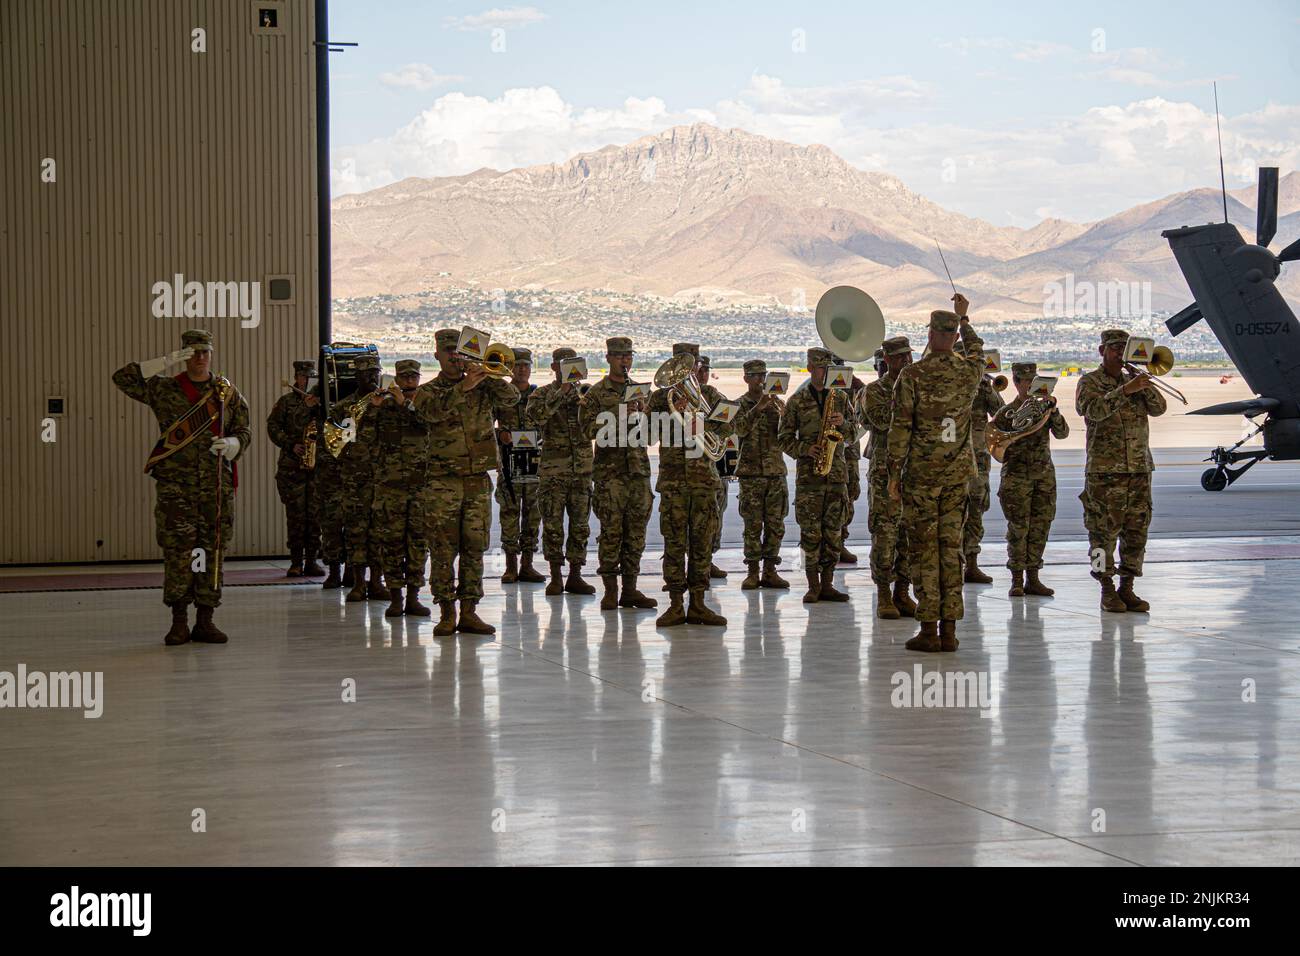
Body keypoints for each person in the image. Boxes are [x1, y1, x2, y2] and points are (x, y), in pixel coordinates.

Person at [112, 329, 251, 645]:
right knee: (179, 553)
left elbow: (245, 429)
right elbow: (123, 378)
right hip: (177, 488)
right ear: (184, 355)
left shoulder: (226, 393)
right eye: (192, 352)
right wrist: (164, 362)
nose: (200, 358)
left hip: (215, 488)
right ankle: (179, 622)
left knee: (210, 552)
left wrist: (233, 443)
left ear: (212, 354)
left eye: (204, 351)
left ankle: (206, 620)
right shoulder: (165, 390)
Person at [887, 295, 984, 652]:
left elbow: (900, 430)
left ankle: (929, 629)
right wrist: (965, 318)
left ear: (930, 334)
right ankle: (951, 630)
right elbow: (977, 351)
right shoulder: (968, 372)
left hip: (923, 479)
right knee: (950, 550)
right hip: (957, 477)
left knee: (924, 551)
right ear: (955, 336)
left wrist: (894, 474)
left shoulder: (913, 375)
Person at [410, 329, 520, 635]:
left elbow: (513, 398)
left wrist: (487, 375)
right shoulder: (430, 391)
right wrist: (464, 387)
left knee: (475, 546)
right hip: (442, 481)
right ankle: (446, 611)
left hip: (477, 479)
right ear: (437, 356)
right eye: (448, 352)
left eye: (459, 352)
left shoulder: (485, 389)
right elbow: (427, 415)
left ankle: (470, 610)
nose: (455, 358)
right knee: (444, 549)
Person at [1075, 329, 1166, 613]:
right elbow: (1092, 411)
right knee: (1102, 535)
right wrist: (1125, 390)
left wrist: (1144, 384)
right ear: (1102, 351)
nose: (1118, 354)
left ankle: (1127, 587)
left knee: (1136, 531)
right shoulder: (1089, 382)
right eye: (1114, 348)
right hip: (1104, 473)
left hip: (1138, 470)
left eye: (1123, 349)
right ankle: (1105, 587)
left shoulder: (1136, 381)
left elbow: (1159, 408)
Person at [648, 350, 731, 626]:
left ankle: (698, 604)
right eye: (683, 367)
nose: (690, 373)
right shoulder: (661, 398)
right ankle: (674, 604)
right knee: (673, 544)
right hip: (673, 481)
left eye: (693, 366)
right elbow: (646, 435)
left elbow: (729, 427)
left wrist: (699, 418)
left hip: (704, 481)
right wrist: (672, 415)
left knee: (702, 545)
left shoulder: (711, 394)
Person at [577, 337, 657, 611]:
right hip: (610, 475)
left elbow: (653, 435)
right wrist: (618, 414)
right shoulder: (597, 394)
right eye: (620, 356)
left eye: (628, 356)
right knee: (611, 533)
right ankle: (610, 590)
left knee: (636, 534)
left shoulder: (641, 392)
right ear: (608, 358)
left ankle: (631, 590)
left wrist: (646, 415)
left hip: (638, 473)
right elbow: (586, 430)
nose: (625, 361)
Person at [777, 347, 856, 603]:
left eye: (827, 368)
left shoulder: (841, 398)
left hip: (836, 477)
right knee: (810, 533)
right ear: (810, 367)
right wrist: (804, 449)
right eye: (819, 367)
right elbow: (783, 439)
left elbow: (854, 433)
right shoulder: (797, 401)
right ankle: (812, 585)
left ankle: (828, 584)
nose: (823, 373)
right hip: (810, 477)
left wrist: (842, 422)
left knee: (833, 532)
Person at [525, 348, 596, 596]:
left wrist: (583, 401)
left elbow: (597, 426)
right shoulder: (542, 394)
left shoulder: (586, 394)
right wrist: (561, 392)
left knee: (580, 526)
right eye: (563, 365)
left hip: (582, 472)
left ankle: (575, 575)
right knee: (553, 526)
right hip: (554, 472)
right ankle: (555, 576)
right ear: (554, 367)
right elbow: (536, 418)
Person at [998, 362, 1069, 597]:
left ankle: (1033, 577)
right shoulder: (1007, 412)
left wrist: (1054, 410)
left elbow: (1062, 433)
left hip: (1043, 476)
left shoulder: (1044, 410)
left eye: (1033, 381)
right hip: (1016, 477)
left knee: (1040, 527)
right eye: (1025, 381)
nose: (1030, 386)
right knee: (1018, 529)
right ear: (1016, 383)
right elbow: (995, 443)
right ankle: (1016, 579)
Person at [859, 335, 917, 619]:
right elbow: (882, 421)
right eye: (902, 357)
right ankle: (884, 593)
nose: (908, 361)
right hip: (884, 473)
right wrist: (903, 398)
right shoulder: (875, 391)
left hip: (911, 471)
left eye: (909, 356)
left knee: (907, 535)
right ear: (889, 360)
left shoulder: (916, 388)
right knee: (885, 535)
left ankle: (902, 592)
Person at [371, 360, 431, 617]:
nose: (408, 382)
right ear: (396, 379)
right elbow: (364, 436)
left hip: (420, 485)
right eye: (403, 378)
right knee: (392, 542)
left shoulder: (425, 403)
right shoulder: (384, 406)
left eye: (413, 377)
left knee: (418, 542)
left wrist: (405, 404)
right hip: (390, 485)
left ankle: (414, 597)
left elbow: (428, 425)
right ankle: (395, 597)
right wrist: (375, 408)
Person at [331, 355, 389, 604]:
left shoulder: (388, 404)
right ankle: (357, 583)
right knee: (356, 531)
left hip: (382, 478)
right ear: (357, 377)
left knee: (380, 532)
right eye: (366, 374)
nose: (372, 378)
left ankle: (377, 582)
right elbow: (335, 444)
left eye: (375, 373)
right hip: (355, 479)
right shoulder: (343, 408)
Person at [732, 359, 789, 590]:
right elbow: (738, 430)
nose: (760, 380)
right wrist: (759, 408)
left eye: (763, 375)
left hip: (775, 472)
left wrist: (784, 413)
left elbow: (787, 435)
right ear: (746, 378)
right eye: (755, 376)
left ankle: (770, 570)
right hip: (751, 473)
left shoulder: (777, 405)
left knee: (776, 524)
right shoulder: (739, 405)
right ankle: (753, 571)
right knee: (753, 524)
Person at [266, 360, 324, 577]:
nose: (307, 381)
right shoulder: (287, 402)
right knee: (296, 516)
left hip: (316, 468)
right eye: (303, 376)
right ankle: (296, 562)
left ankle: (312, 561)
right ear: (297, 378)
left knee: (315, 516)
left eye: (311, 377)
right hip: (293, 469)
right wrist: (290, 444)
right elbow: (273, 427)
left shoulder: (321, 403)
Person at [956, 342, 1005, 584]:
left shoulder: (984, 385)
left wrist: (989, 388)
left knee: (976, 508)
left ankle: (972, 562)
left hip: (978, 456)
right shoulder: (950, 382)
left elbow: (1002, 414)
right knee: (952, 511)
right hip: (954, 455)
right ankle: (952, 563)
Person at [494, 348, 545, 584]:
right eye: (517, 365)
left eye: (526, 365)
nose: (522, 370)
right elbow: (484, 425)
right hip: (509, 463)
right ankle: (510, 566)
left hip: (534, 463)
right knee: (510, 514)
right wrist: (500, 435)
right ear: (509, 368)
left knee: (533, 515)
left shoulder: (538, 395)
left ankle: (527, 564)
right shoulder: (500, 396)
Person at [695, 354, 730, 580]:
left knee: (714, 517)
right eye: (699, 370)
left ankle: (708, 560)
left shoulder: (714, 396)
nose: (703, 374)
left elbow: (730, 426)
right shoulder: (670, 397)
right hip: (686, 468)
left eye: (706, 370)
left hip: (712, 467)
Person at [834, 355, 867, 564]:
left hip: (849, 449)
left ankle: (841, 542)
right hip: (829, 449)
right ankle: (828, 543)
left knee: (850, 492)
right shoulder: (816, 386)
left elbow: (863, 416)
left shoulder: (855, 385)